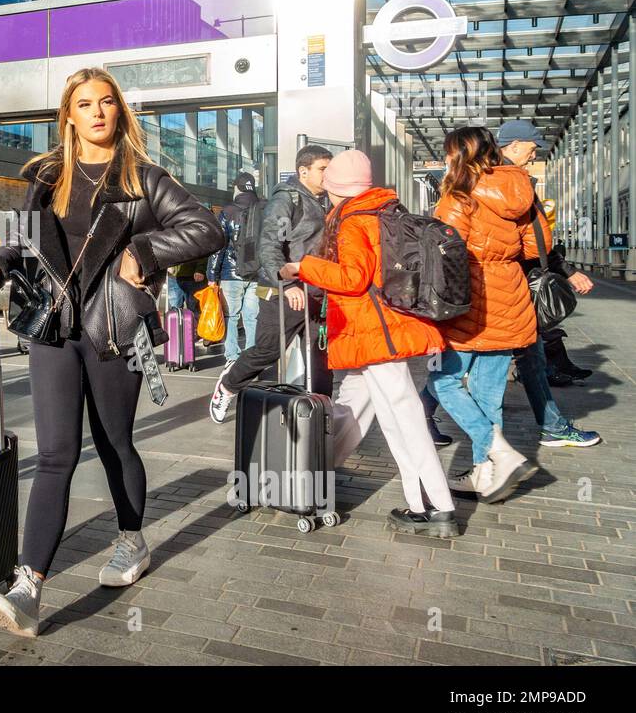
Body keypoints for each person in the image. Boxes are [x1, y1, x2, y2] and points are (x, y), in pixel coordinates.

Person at [0, 66, 223, 638]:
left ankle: (132, 540)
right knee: (56, 453)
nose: (99, 112)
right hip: (55, 330)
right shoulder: (47, 176)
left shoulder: (145, 177)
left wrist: (146, 248)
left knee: (114, 444)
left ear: (120, 111)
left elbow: (206, 228)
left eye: (107, 102)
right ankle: (28, 586)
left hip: (116, 330)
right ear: (69, 116)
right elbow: (22, 235)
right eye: (86, 104)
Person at [282, 150, 460, 537]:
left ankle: (442, 507)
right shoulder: (384, 212)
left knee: (406, 418)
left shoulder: (354, 222)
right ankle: (415, 503)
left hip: (379, 334)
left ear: (338, 190)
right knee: (390, 418)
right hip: (395, 329)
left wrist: (302, 267)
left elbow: (352, 278)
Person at [426, 127, 542, 504]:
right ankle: (487, 473)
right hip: (510, 292)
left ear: (459, 155)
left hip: (470, 297)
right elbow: (535, 247)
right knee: (489, 393)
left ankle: (497, 450)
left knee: (442, 380)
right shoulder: (521, 189)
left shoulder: (459, 193)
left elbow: (447, 253)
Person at [209, 145, 333, 423]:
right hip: (284, 295)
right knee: (268, 350)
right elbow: (269, 247)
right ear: (304, 171)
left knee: (321, 360)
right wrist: (287, 285)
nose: (329, 175)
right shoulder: (286, 200)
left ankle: (322, 419)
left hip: (316, 295)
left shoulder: (323, 200)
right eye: (322, 169)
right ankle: (228, 386)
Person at [495, 120, 600, 447]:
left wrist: (565, 270)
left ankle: (550, 426)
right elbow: (533, 241)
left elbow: (537, 241)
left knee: (527, 356)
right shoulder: (507, 185)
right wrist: (564, 270)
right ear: (513, 146)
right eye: (531, 146)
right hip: (509, 287)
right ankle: (436, 416)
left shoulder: (507, 181)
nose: (533, 152)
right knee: (486, 362)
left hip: (512, 284)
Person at [207, 171, 262, 368]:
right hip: (256, 273)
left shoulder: (228, 211)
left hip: (231, 274)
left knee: (231, 316)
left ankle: (232, 356)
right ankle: (251, 357)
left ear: (237, 189)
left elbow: (218, 246)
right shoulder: (263, 208)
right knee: (252, 317)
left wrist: (212, 275)